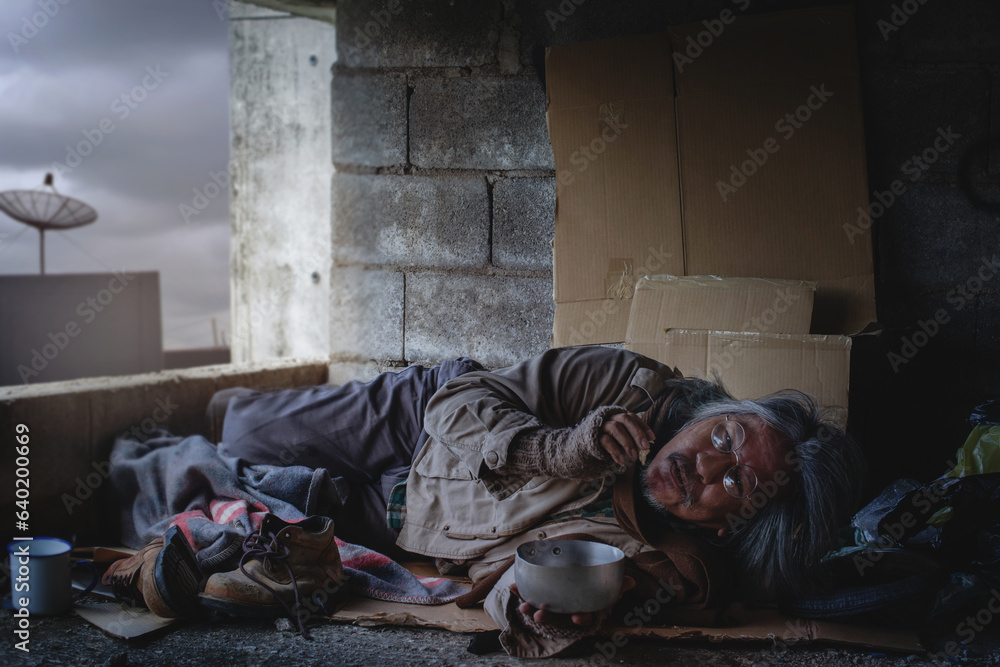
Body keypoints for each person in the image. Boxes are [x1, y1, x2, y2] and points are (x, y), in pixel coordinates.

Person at [105, 345, 865, 658]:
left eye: (737, 483)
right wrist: (561, 448)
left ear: (734, 524)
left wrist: (536, 612)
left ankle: (186, 461)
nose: (706, 465)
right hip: (422, 418)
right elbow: (470, 398)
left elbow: (531, 576)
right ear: (714, 410)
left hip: (415, 517)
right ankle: (227, 416)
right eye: (726, 435)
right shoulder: (628, 382)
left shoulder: (668, 560)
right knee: (240, 420)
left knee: (220, 484)